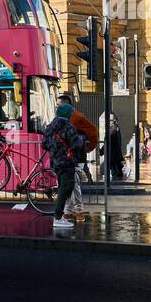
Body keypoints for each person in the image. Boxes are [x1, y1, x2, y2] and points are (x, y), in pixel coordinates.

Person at [42, 102, 86, 230]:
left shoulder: (50, 126)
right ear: (68, 114)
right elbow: (76, 145)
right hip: (67, 162)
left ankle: (59, 216)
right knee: (66, 188)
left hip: (55, 162)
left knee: (63, 186)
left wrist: (55, 147)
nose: (72, 115)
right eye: (71, 113)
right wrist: (81, 140)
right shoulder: (69, 127)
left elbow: (44, 144)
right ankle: (58, 217)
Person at [58, 91, 97, 219]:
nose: (56, 108)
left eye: (58, 105)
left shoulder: (75, 118)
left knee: (74, 184)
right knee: (70, 183)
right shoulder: (69, 118)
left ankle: (78, 210)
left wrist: (88, 148)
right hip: (71, 156)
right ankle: (69, 211)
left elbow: (93, 131)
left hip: (76, 156)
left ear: (65, 105)